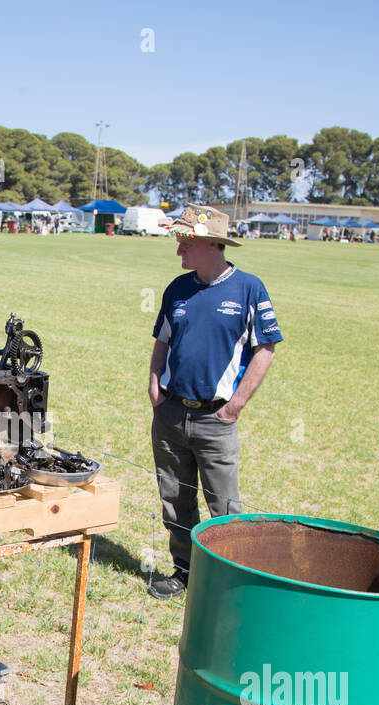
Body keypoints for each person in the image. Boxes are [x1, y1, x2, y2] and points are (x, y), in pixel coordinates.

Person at [147, 205, 282, 599]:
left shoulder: (249, 288)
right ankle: (184, 572)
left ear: (209, 243)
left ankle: (227, 584)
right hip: (171, 413)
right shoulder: (178, 288)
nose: (179, 251)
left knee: (224, 506)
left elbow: (266, 348)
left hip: (215, 419)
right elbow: (162, 341)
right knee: (174, 498)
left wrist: (234, 406)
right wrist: (154, 385)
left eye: (184, 242)